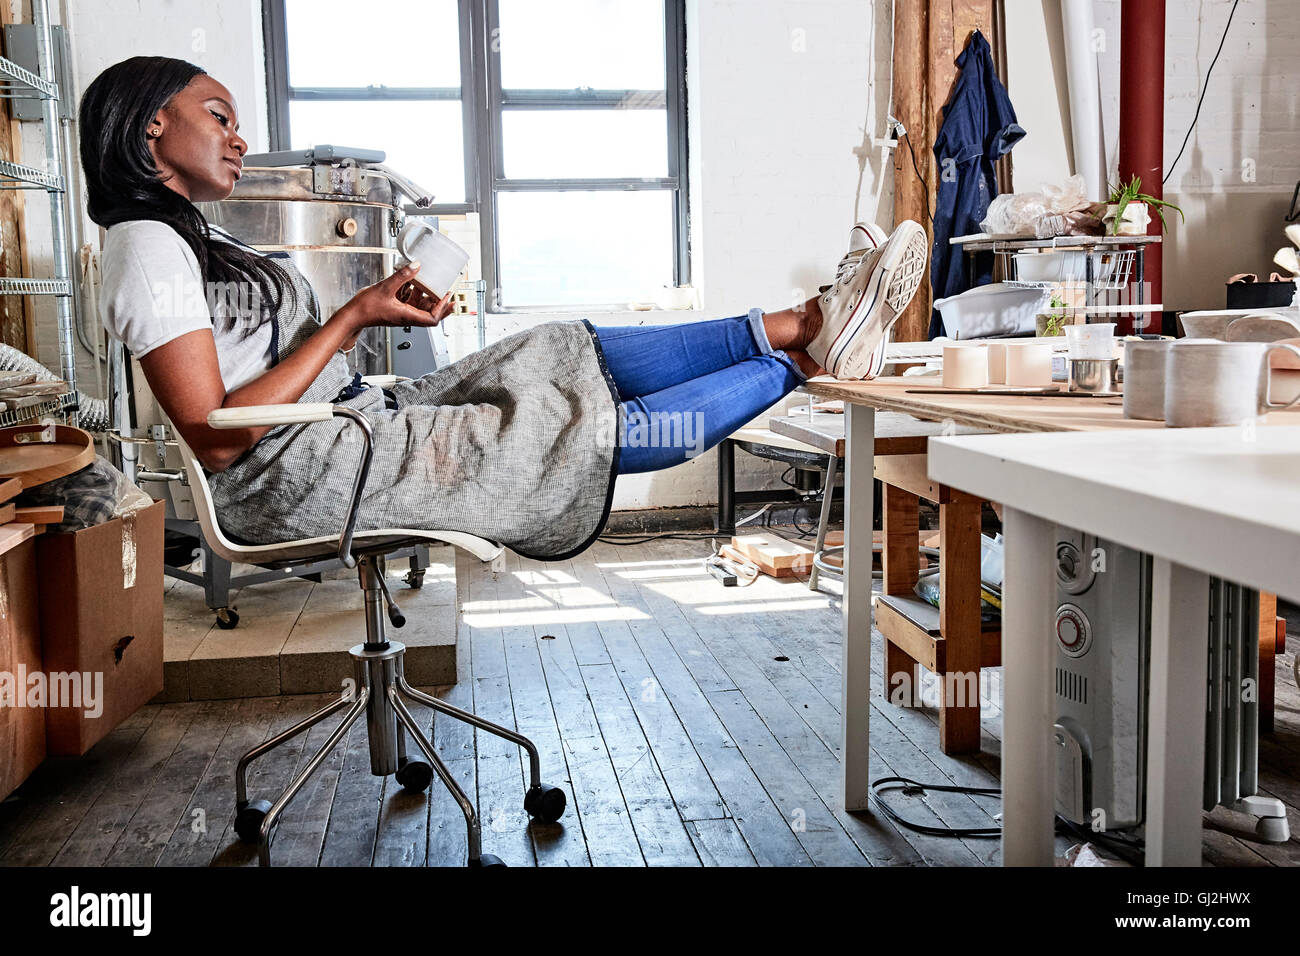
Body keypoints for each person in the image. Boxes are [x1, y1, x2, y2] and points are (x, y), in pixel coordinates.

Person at [82, 57, 927, 561]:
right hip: (290, 477)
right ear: (153, 126)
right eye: (219, 117)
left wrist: (369, 307)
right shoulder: (146, 245)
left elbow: (254, 375)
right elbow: (220, 434)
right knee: (571, 436)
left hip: (341, 427)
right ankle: (807, 359)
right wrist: (348, 322)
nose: (237, 137)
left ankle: (808, 321)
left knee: (551, 352)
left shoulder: (184, 238)